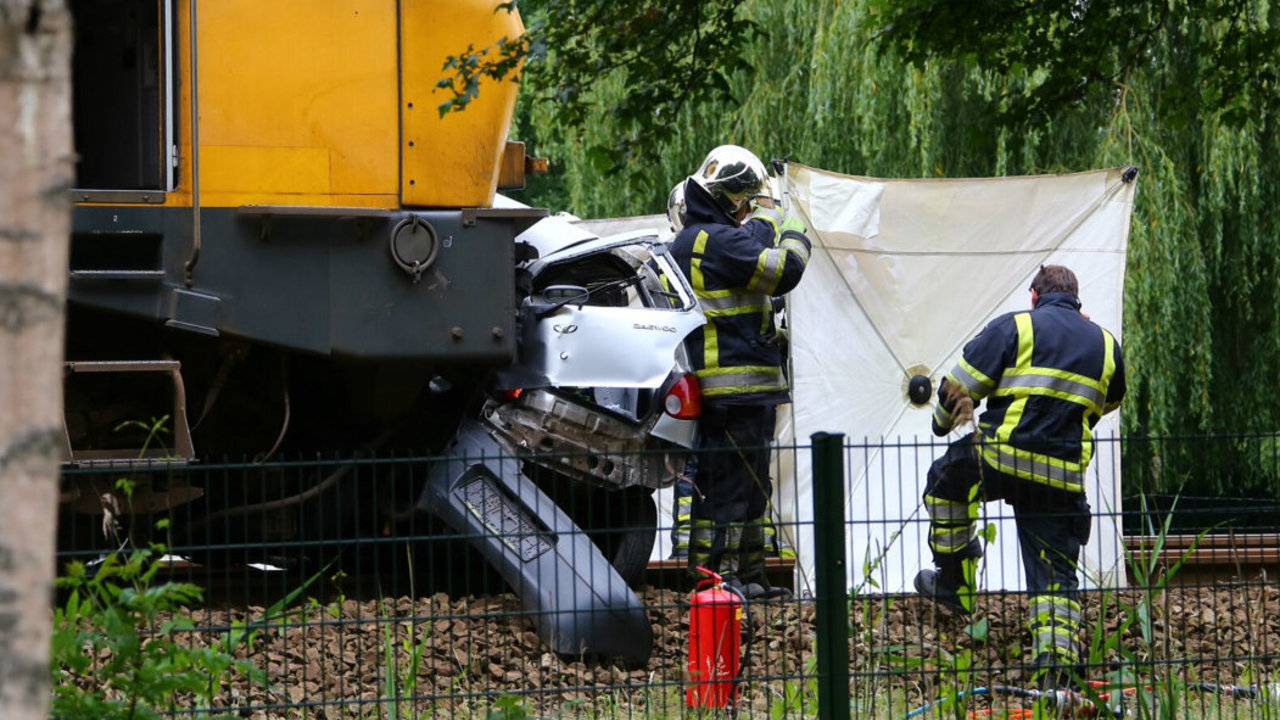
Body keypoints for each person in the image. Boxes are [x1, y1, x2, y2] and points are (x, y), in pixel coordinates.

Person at [916, 264, 1125, 688]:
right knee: (1053, 576)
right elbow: (1108, 402)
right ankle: (1057, 672)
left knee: (943, 483)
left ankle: (955, 579)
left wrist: (941, 423)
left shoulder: (1016, 327)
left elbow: (958, 388)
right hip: (1061, 473)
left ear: (1034, 296)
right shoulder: (1107, 344)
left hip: (999, 459)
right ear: (1077, 300)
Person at [669, 145, 811, 599]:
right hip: (732, 387)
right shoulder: (711, 239)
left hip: (748, 390)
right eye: (744, 201)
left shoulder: (706, 238)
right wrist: (788, 226)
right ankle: (716, 581)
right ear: (729, 197)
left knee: (753, 488)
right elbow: (783, 270)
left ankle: (750, 578)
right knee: (725, 490)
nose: (746, 210)